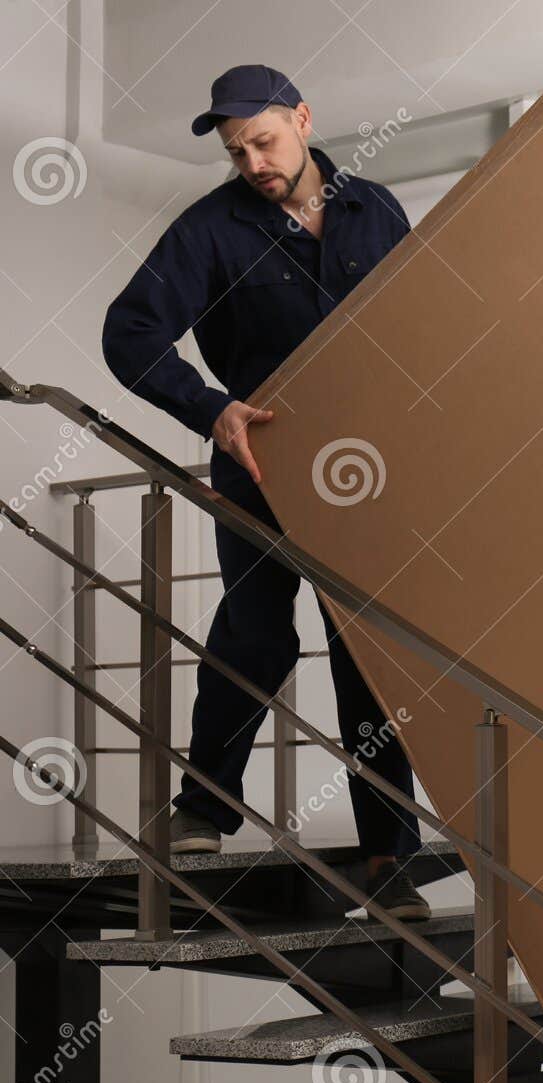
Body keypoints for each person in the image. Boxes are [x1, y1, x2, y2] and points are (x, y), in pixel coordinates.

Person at [102, 65, 428, 920]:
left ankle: (388, 853)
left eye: (265, 140)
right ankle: (204, 812)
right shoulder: (209, 230)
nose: (252, 162)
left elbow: (422, 322)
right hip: (261, 465)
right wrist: (210, 410)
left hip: (370, 471)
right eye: (236, 149)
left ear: (303, 120)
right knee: (254, 633)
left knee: (366, 651)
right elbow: (129, 331)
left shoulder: (376, 209)